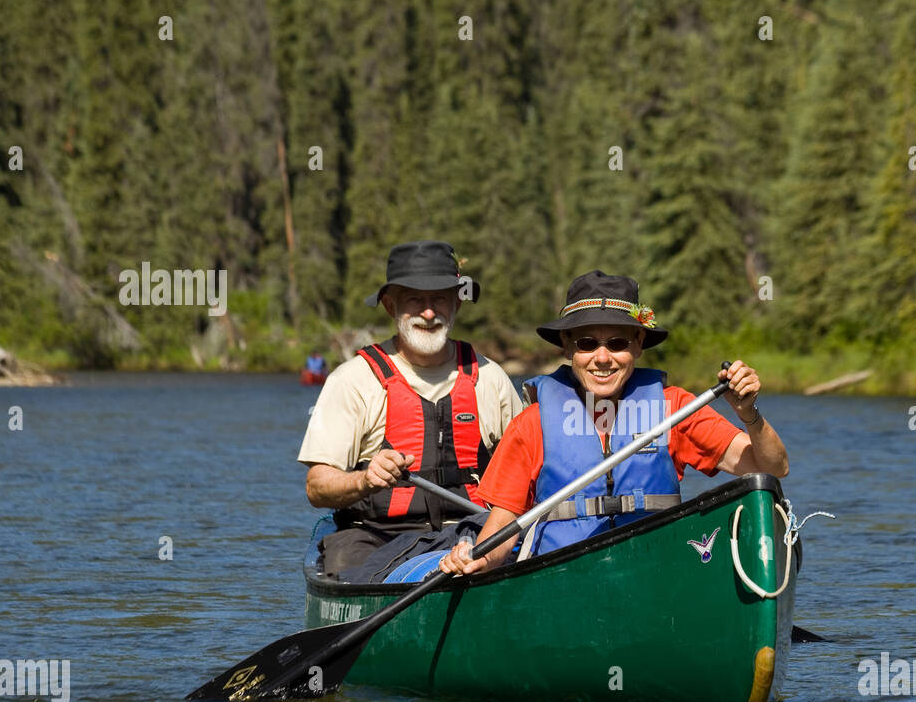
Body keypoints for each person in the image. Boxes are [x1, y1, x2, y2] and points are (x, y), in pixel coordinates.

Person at [438, 269, 788, 577]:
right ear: (567, 347)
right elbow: (502, 529)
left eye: (617, 343)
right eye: (587, 343)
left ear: (638, 345)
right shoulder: (531, 425)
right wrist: (477, 560)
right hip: (562, 580)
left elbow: (772, 467)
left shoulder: (675, 408)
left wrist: (748, 414)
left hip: (654, 573)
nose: (602, 358)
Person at [298, 240, 522, 577]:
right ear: (391, 306)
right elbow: (317, 487)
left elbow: (527, 471)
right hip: (375, 538)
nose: (429, 313)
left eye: (440, 299)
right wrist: (365, 480)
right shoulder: (353, 380)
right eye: (415, 299)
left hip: (471, 533)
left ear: (457, 305)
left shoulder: (490, 378)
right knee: (347, 564)